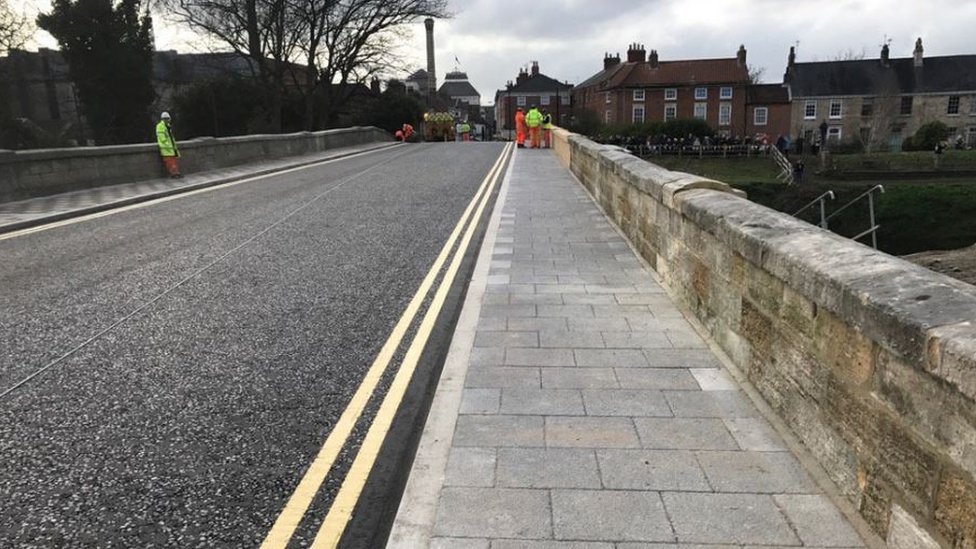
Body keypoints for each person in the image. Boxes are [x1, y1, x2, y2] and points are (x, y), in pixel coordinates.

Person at [156, 112, 181, 178]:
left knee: (173, 162)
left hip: (171, 148)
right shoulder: (160, 126)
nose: (168, 120)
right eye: (167, 119)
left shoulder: (168, 126)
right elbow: (162, 137)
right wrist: (167, 144)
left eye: (168, 119)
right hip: (166, 149)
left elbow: (170, 137)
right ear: (164, 119)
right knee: (169, 162)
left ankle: (176, 173)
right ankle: (173, 174)